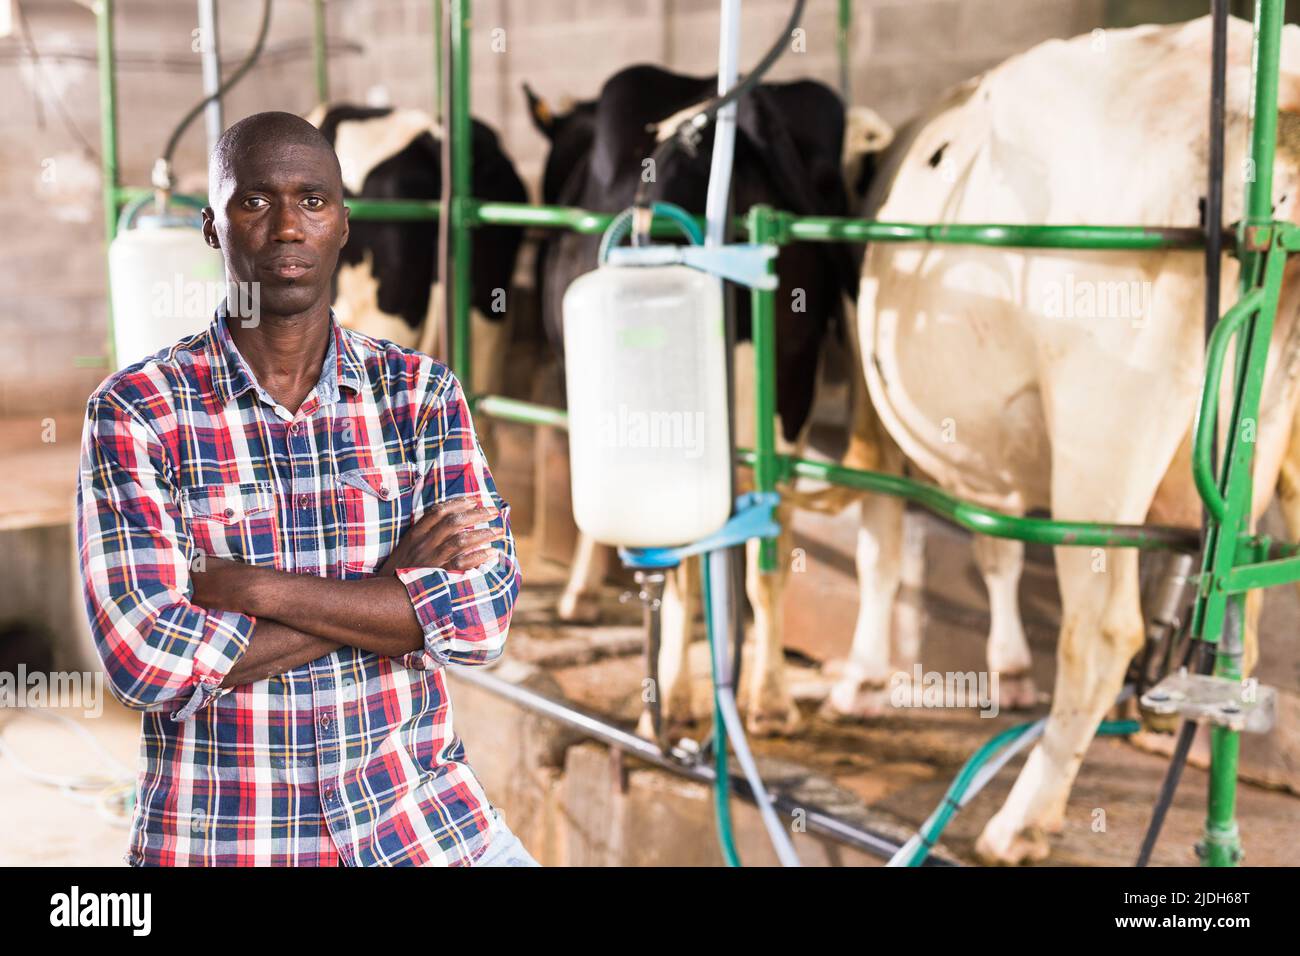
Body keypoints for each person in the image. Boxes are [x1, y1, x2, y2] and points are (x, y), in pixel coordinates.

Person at [76, 110, 537, 867]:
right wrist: (392, 589)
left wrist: (251, 588)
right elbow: (147, 659)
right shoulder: (138, 412)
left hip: (423, 826)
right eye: (255, 201)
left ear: (345, 225)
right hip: (232, 842)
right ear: (211, 228)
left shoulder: (419, 395)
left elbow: (482, 619)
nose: (288, 226)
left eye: (313, 201)